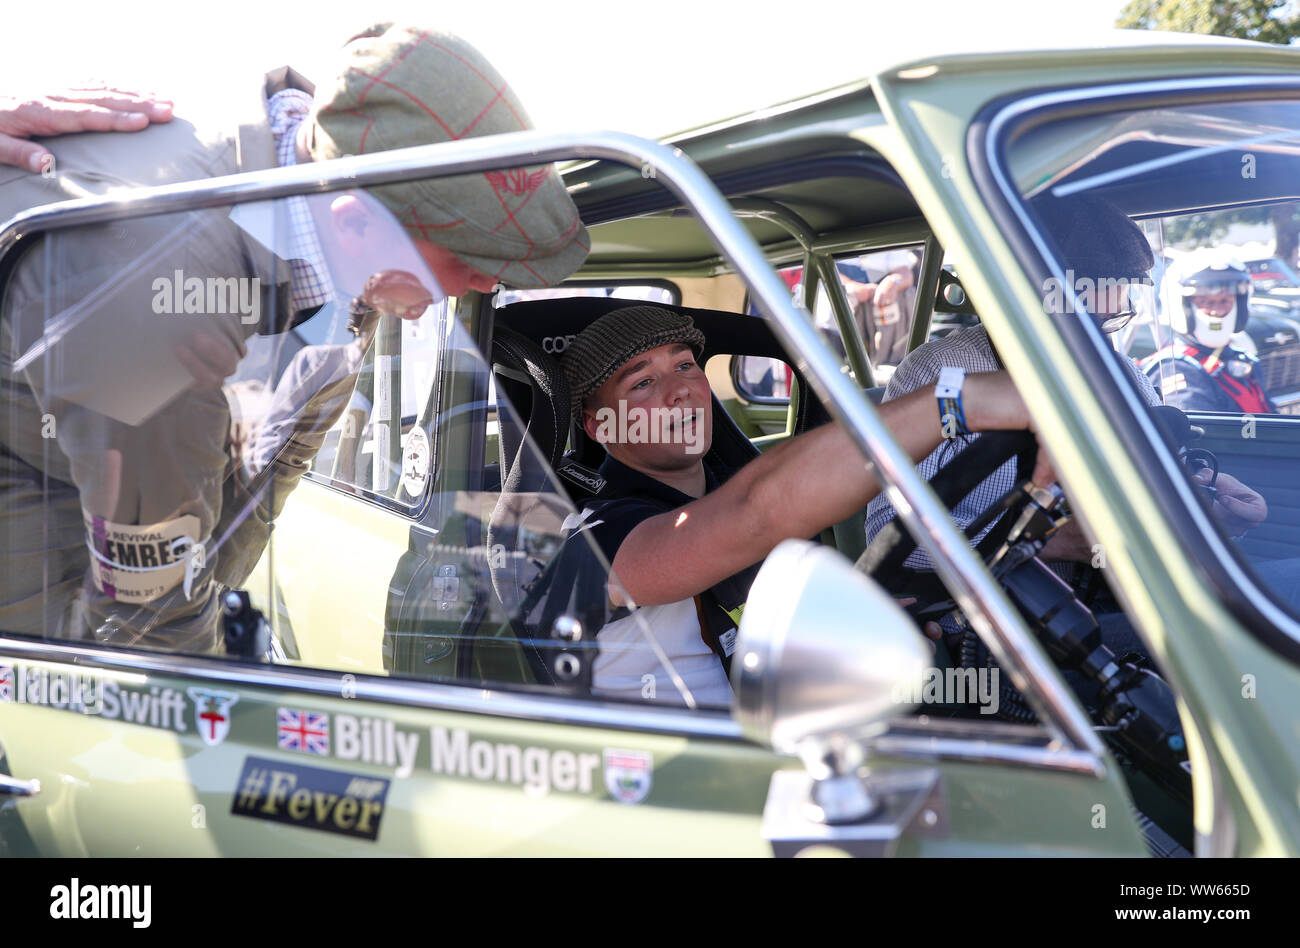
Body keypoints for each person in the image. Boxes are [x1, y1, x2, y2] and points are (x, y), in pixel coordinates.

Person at [0, 24, 589, 652]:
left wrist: (210, 603)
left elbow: (281, 455)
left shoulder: (334, 204)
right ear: (356, 224)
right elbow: (154, 622)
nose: (471, 287)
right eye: (465, 266)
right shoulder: (158, 293)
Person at [553, 304, 1040, 705]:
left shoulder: (731, 487)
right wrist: (952, 402)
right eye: (642, 383)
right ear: (600, 428)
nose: (679, 389)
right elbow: (753, 515)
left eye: (685, 366)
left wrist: (857, 624)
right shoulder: (596, 529)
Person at [863, 195, 1271, 652]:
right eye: (1082, 317)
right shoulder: (948, 379)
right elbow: (891, 535)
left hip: (1125, 604)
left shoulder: (1126, 377)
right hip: (1002, 630)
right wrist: (1045, 542)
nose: (1098, 340)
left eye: (1112, 318)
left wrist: (1207, 512)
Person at [1140, 250, 1277, 414]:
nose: (1217, 311)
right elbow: (1202, 435)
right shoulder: (1175, 367)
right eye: (1207, 302)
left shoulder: (1243, 358)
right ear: (1183, 306)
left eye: (1225, 301)